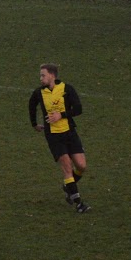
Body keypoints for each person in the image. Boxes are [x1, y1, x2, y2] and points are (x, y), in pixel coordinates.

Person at [28, 62, 89, 212]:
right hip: (54, 136)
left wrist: (61, 115)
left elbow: (78, 109)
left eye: (43, 75)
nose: (40, 78)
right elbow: (31, 105)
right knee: (67, 167)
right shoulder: (39, 93)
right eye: (40, 75)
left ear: (52, 75)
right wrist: (34, 124)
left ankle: (68, 187)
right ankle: (79, 203)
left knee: (81, 166)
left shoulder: (67, 89)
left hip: (70, 133)